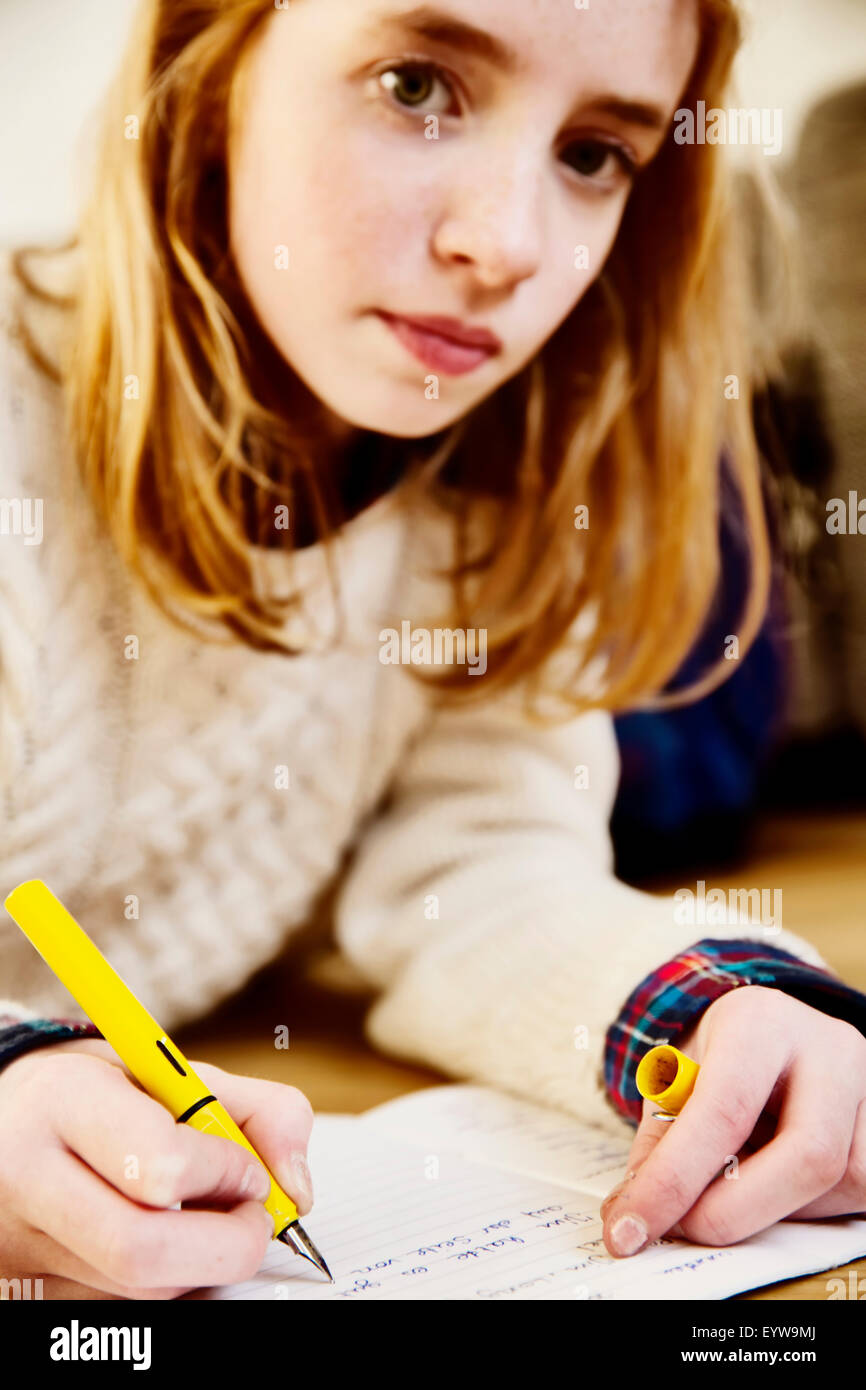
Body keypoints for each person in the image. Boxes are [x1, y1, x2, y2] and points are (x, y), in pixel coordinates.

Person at [1, 0, 864, 1301]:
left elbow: (479, 861)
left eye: (594, 155)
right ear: (202, 63)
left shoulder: (504, 481)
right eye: (415, 84)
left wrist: (701, 1004)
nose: (506, 246)